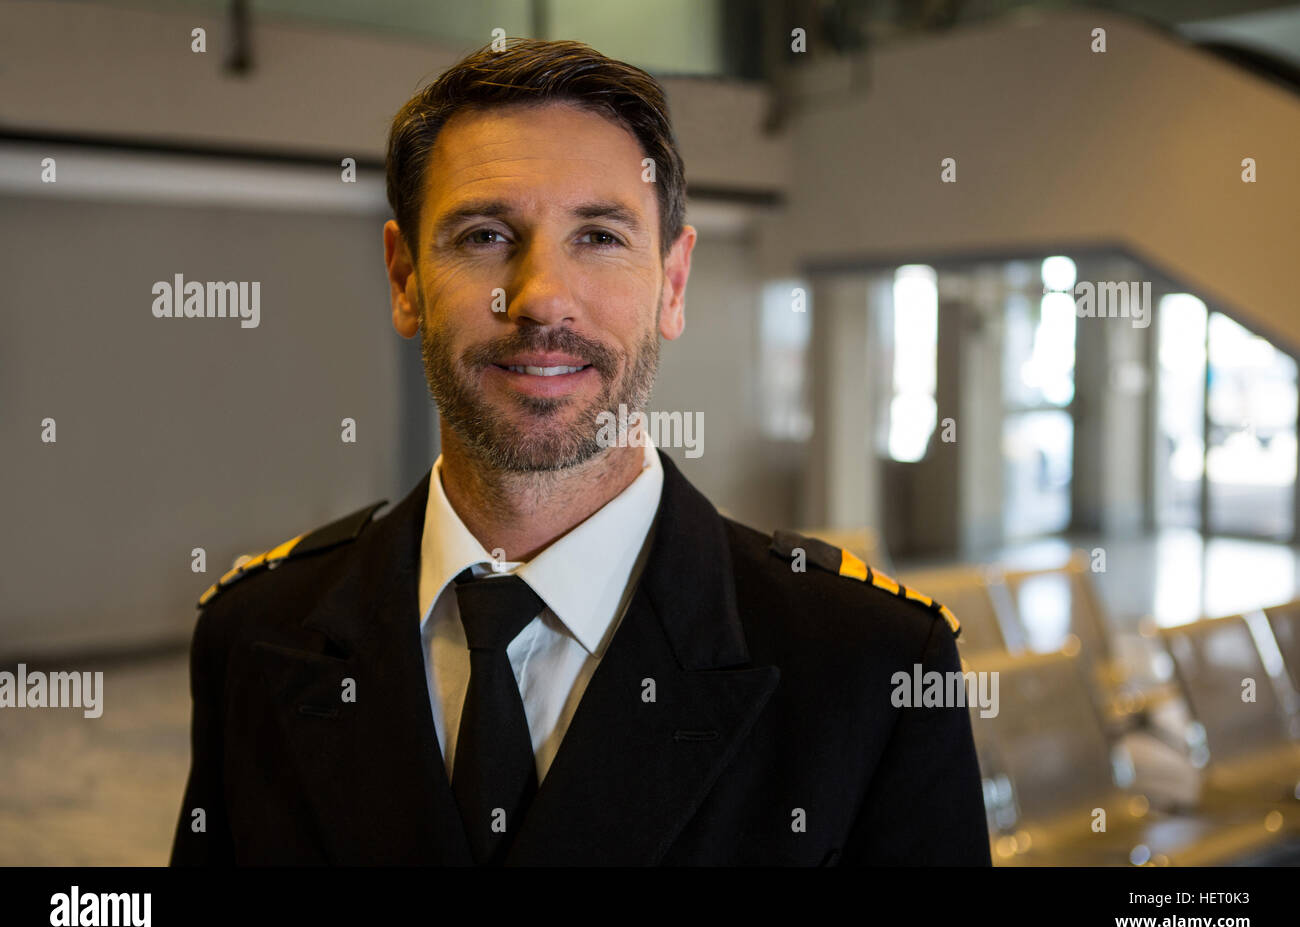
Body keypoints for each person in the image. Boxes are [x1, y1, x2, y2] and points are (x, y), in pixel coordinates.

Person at [169, 37, 990, 866]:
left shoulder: (873, 666)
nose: (540, 299)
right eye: (485, 234)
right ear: (405, 280)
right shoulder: (254, 634)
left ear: (671, 283)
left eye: (598, 236)